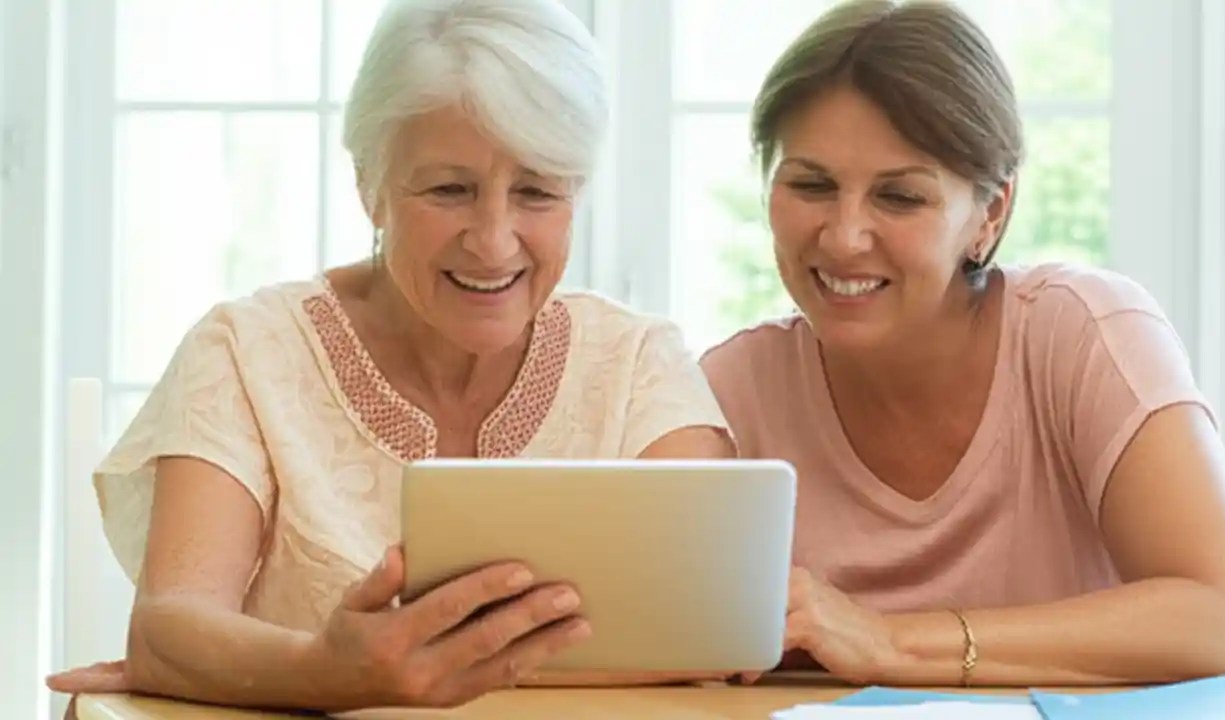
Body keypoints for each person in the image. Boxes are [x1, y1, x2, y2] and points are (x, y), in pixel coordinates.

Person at [47, 0, 733, 712]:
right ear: (370, 185)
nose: (495, 242)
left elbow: (707, 631)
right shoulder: (246, 351)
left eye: (536, 192)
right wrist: (322, 668)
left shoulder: (637, 363)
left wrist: (294, 665)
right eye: (448, 190)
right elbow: (168, 632)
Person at [703, 0, 1225, 688]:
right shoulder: (731, 388)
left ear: (989, 213)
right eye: (812, 185)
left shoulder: (1082, 335)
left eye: (901, 197)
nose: (845, 236)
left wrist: (892, 644)